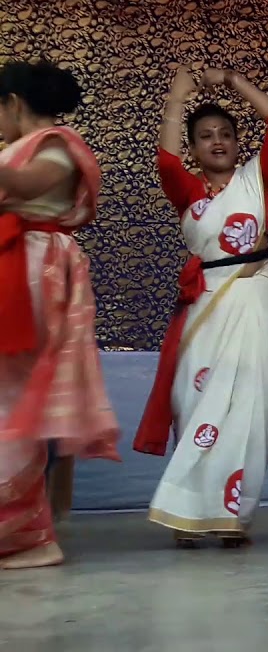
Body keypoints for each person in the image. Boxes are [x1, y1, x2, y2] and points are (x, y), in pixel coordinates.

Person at [134, 65, 268, 548]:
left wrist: (230, 81)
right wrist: (178, 95)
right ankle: (187, 510)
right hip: (207, 305)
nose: (218, 142)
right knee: (196, 402)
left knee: (254, 407)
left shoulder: (258, 180)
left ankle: (233, 517)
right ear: (195, 147)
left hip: (257, 300)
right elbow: (165, 159)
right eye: (205, 136)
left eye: (225, 134)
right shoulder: (186, 191)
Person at [0, 60, 118, 570]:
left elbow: (27, 186)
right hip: (14, 267)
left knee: (13, 404)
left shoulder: (57, 144)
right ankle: (26, 533)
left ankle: (28, 537)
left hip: (32, 275)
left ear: (12, 103)